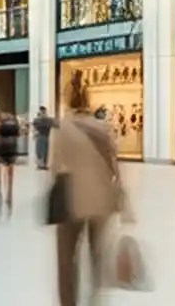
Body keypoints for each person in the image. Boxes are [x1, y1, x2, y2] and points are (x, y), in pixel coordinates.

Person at [50, 73, 124, 306]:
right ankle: (96, 299)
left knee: (66, 261)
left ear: (66, 100)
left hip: (72, 200)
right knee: (97, 255)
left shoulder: (62, 128)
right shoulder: (102, 128)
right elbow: (114, 165)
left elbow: (55, 168)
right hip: (101, 200)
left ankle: (69, 303)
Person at [0, 109, 20, 215]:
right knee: (10, 176)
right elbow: (17, 136)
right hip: (11, 151)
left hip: (1, 151)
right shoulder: (15, 126)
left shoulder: (0, 126)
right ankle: (9, 195)